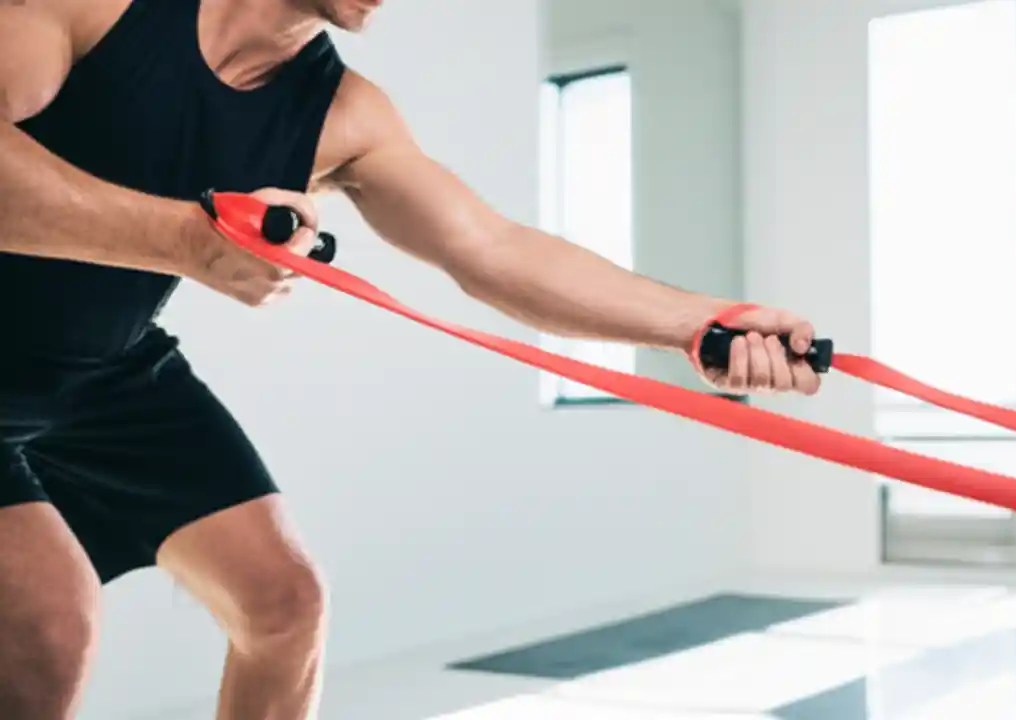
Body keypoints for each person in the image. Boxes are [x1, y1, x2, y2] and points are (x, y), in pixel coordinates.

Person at [0, 0, 823, 717]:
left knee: (284, 605)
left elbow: (492, 249)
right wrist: (184, 239)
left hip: (107, 372)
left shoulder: (344, 115)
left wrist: (700, 323)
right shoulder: (96, 8)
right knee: (50, 624)